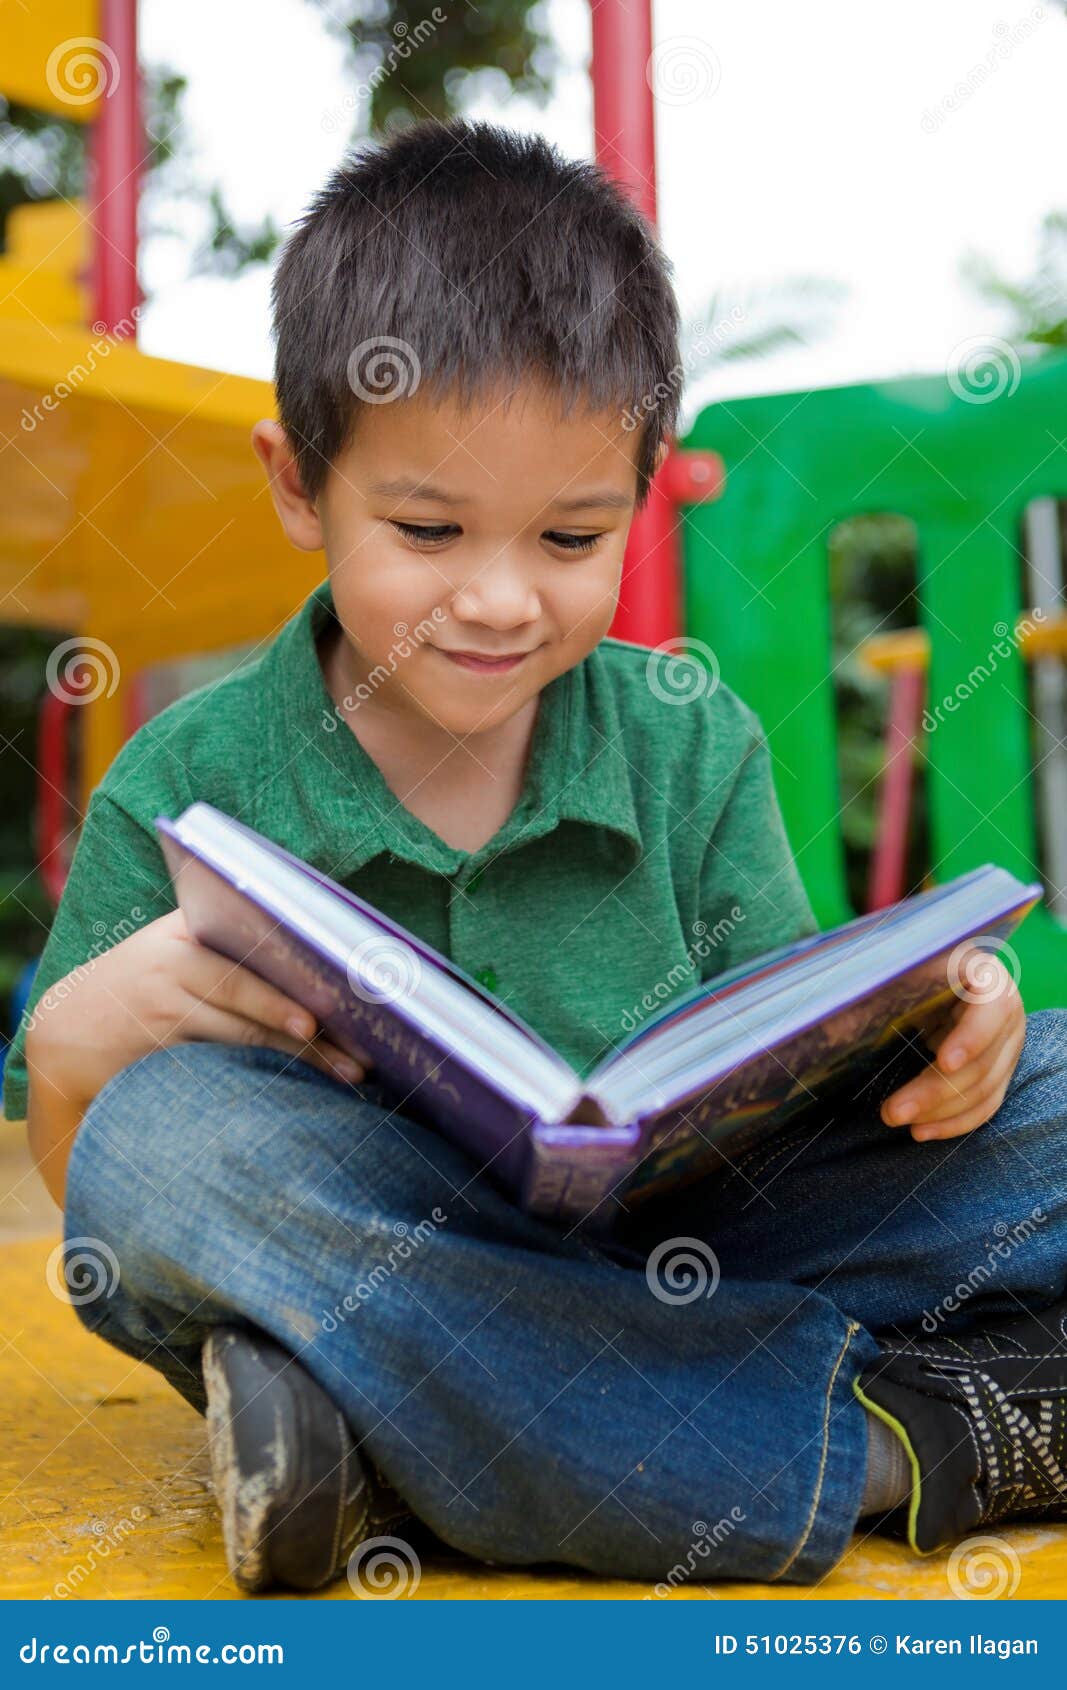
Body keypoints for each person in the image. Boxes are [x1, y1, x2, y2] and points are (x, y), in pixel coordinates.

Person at [9, 119, 1066, 1597]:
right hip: (370, 1247)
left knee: (1061, 1083)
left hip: (698, 1243)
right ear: (300, 482)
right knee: (173, 1144)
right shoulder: (189, 780)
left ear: (638, 492)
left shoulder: (690, 741)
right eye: (429, 528)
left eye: (572, 538)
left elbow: (798, 1067)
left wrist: (954, 1030)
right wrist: (72, 1056)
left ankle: (400, 1436)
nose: (500, 600)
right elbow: (115, 1215)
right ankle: (906, 1435)